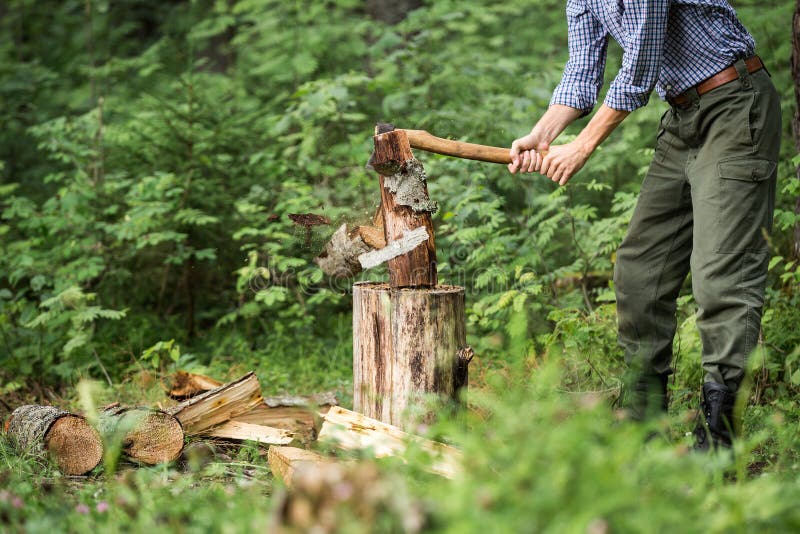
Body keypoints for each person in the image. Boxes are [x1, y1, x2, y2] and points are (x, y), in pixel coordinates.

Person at [508, 0, 781, 450]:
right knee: (638, 273)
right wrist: (543, 134)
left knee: (719, 279)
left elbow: (640, 62)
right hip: (682, 115)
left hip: (734, 104)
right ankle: (641, 430)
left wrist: (581, 147)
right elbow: (581, 71)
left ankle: (716, 442)